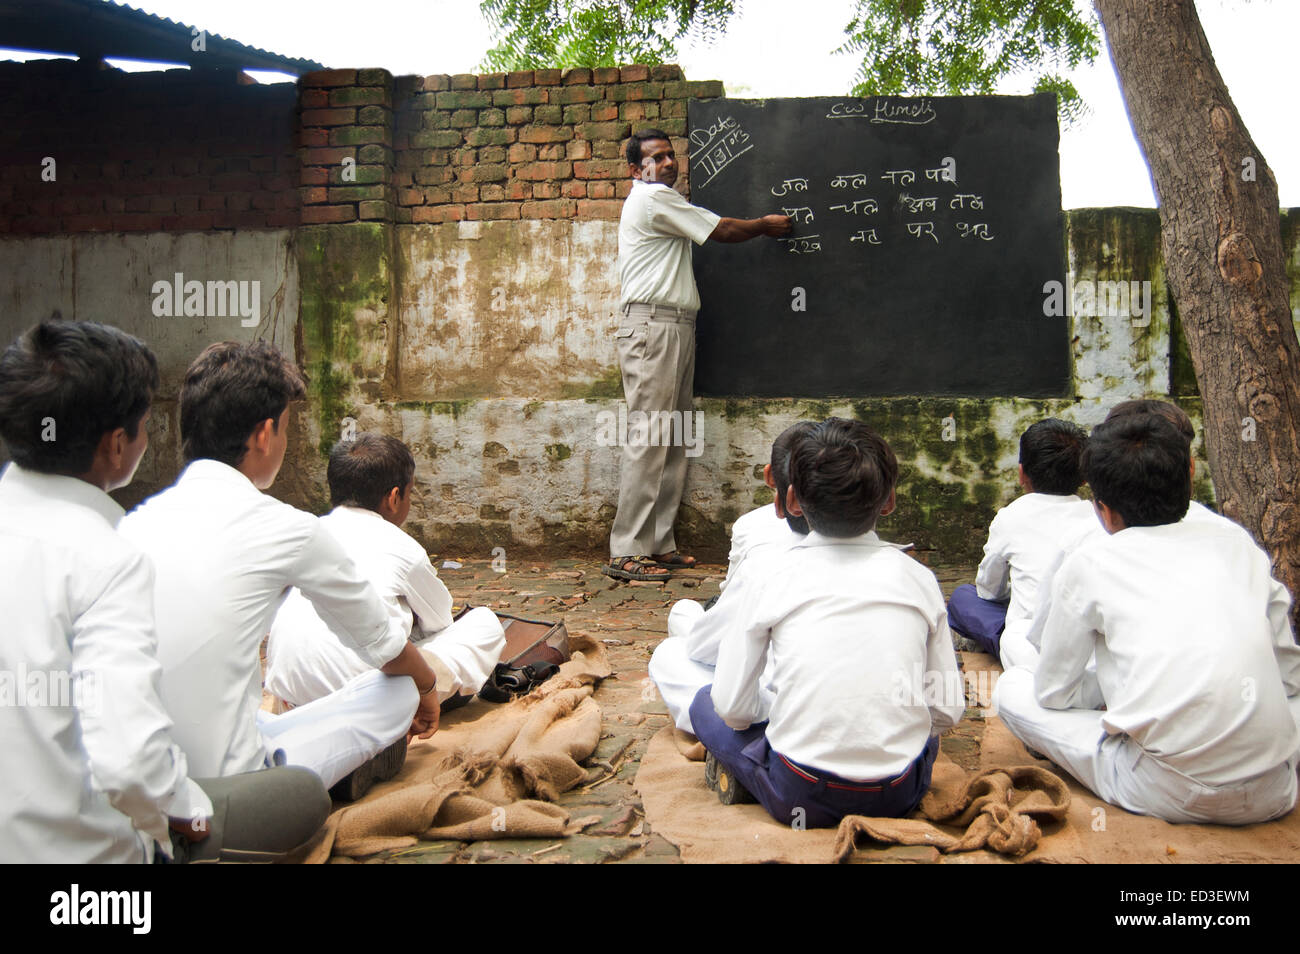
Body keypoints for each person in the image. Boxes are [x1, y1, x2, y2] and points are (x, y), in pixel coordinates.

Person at [0, 320, 325, 863]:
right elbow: (129, 762)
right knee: (300, 797)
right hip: (85, 868)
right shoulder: (105, 557)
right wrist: (183, 813)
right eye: (146, 424)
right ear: (117, 444)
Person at [120, 341, 441, 802]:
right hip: (228, 782)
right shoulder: (289, 527)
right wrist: (427, 686)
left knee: (248, 707)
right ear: (265, 434)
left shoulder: (135, 523)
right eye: (286, 430)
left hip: (142, 764)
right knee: (397, 693)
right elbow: (384, 645)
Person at [993, 414, 1300, 825]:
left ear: (1101, 510)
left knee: (1013, 688)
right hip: (1275, 789)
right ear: (1189, 476)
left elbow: (1054, 693)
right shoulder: (1237, 543)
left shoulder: (1090, 560)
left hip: (1163, 788)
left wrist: (1105, 689)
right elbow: (1289, 677)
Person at [690, 418, 964, 828]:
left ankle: (754, 778)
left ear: (792, 502)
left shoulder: (771, 577)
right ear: (888, 501)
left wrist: (776, 705)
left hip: (800, 791)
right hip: (899, 793)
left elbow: (733, 709)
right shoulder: (918, 578)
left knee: (704, 703)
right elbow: (945, 711)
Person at [605, 128, 793, 582]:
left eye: (671, 155)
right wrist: (766, 226)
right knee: (651, 436)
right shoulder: (652, 199)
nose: (668, 163)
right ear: (636, 170)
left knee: (674, 435)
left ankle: (657, 544)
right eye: (656, 158)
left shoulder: (662, 203)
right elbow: (722, 230)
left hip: (674, 326)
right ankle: (625, 550)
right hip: (654, 326)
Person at [266, 433, 506, 712]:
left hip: (290, 702)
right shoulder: (402, 547)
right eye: (409, 493)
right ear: (394, 498)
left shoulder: (306, 534)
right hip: (367, 707)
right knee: (484, 624)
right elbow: (440, 624)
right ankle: (423, 702)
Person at [648, 421, 816, 734]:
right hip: (890, 761)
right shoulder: (909, 576)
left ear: (772, 481)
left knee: (673, 651)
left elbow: (734, 706)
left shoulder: (761, 559)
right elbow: (936, 711)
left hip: (788, 737)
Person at [947, 418, 1099, 669]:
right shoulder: (1097, 518)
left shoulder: (1011, 517)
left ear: (1021, 473)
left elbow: (988, 591)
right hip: (1087, 647)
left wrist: (1015, 593)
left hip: (1028, 650)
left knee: (964, 597)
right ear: (1084, 477)